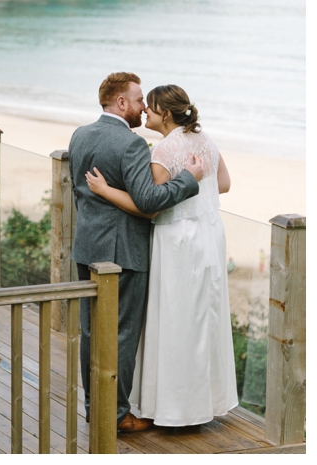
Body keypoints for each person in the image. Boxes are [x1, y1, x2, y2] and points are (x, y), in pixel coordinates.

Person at [85, 84, 238, 427]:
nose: (145, 113)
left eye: (150, 109)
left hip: (178, 239)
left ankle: (174, 411)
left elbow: (150, 207)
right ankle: (204, 406)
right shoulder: (204, 138)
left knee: (175, 321)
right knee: (204, 319)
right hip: (211, 233)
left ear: (165, 114)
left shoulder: (164, 150)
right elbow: (224, 183)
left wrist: (105, 190)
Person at [68, 72, 204, 433]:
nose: (144, 106)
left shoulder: (80, 134)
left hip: (87, 245)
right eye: (140, 99)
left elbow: (79, 192)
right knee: (121, 333)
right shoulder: (130, 145)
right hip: (123, 251)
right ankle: (115, 417)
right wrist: (188, 179)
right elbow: (149, 201)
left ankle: (93, 409)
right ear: (122, 102)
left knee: (92, 332)